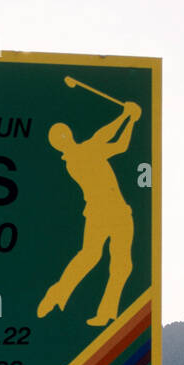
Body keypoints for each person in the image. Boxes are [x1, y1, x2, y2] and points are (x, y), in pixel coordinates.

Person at [36, 99, 141, 327]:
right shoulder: (80, 155)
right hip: (103, 212)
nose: (65, 137)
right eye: (61, 138)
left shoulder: (86, 151)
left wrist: (131, 120)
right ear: (61, 143)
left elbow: (120, 145)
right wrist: (125, 116)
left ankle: (105, 312)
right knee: (93, 257)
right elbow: (105, 136)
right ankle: (58, 294)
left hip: (116, 211)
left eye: (64, 134)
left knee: (120, 264)